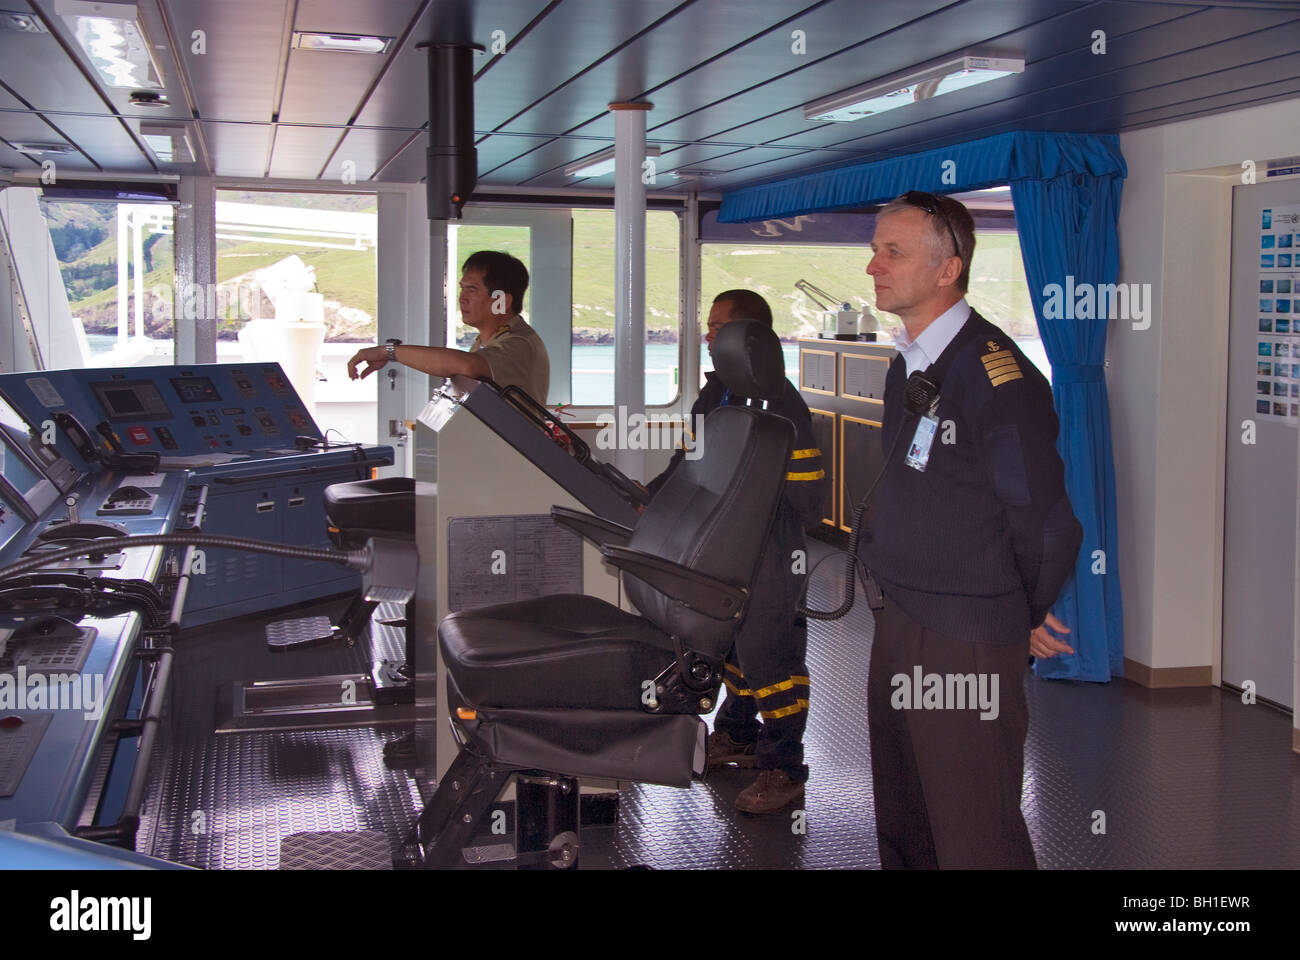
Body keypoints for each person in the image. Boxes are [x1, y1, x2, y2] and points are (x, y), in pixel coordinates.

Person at [858, 190, 1082, 868]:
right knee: (906, 818)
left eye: (892, 252)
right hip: (899, 618)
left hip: (962, 636)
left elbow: (1048, 526)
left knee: (973, 827)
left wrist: (1015, 613)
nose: (874, 266)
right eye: (875, 250)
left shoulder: (996, 376)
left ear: (947, 268)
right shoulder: (911, 364)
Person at [648, 289, 828, 814]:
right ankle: (738, 734)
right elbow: (689, 460)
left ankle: (783, 767)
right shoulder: (716, 394)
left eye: (717, 328)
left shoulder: (783, 404)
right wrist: (652, 498)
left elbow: (810, 497)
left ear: (748, 339)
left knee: (773, 660)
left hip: (772, 552)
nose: (708, 336)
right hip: (725, 547)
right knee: (730, 647)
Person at [347, 250, 549, 405]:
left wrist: (389, 352)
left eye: (472, 290)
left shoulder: (518, 343)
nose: (462, 298)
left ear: (501, 301)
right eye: (463, 289)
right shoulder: (487, 342)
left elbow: (466, 365)